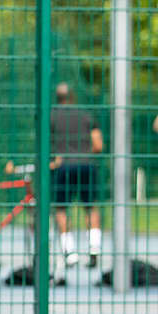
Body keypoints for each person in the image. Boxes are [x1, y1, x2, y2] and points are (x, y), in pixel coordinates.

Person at [50, 82, 104, 269]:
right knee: (90, 207)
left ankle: (70, 254)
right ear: (72, 96)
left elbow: (47, 146)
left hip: (63, 166)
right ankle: (94, 249)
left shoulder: (52, 117)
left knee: (61, 209)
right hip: (86, 164)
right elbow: (98, 145)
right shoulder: (86, 115)